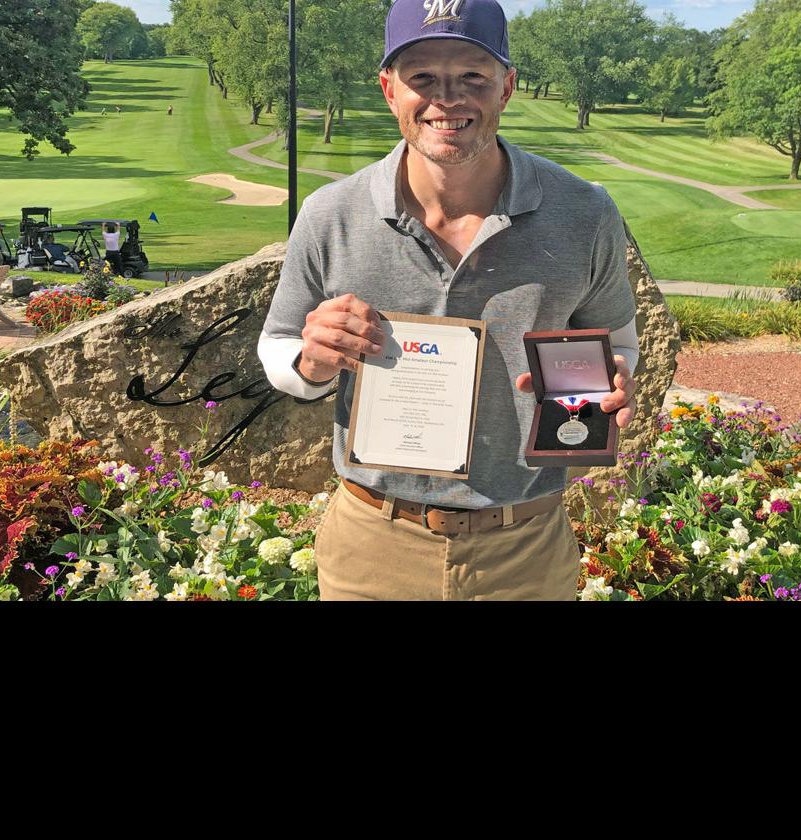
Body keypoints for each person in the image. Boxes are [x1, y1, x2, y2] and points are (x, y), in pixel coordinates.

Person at [259, 0, 639, 601]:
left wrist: (614, 377)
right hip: (373, 542)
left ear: (507, 87)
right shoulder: (331, 213)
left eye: (472, 77)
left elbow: (615, 341)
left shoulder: (585, 212)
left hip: (526, 544)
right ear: (389, 90)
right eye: (424, 78)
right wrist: (311, 360)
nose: (448, 99)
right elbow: (279, 347)